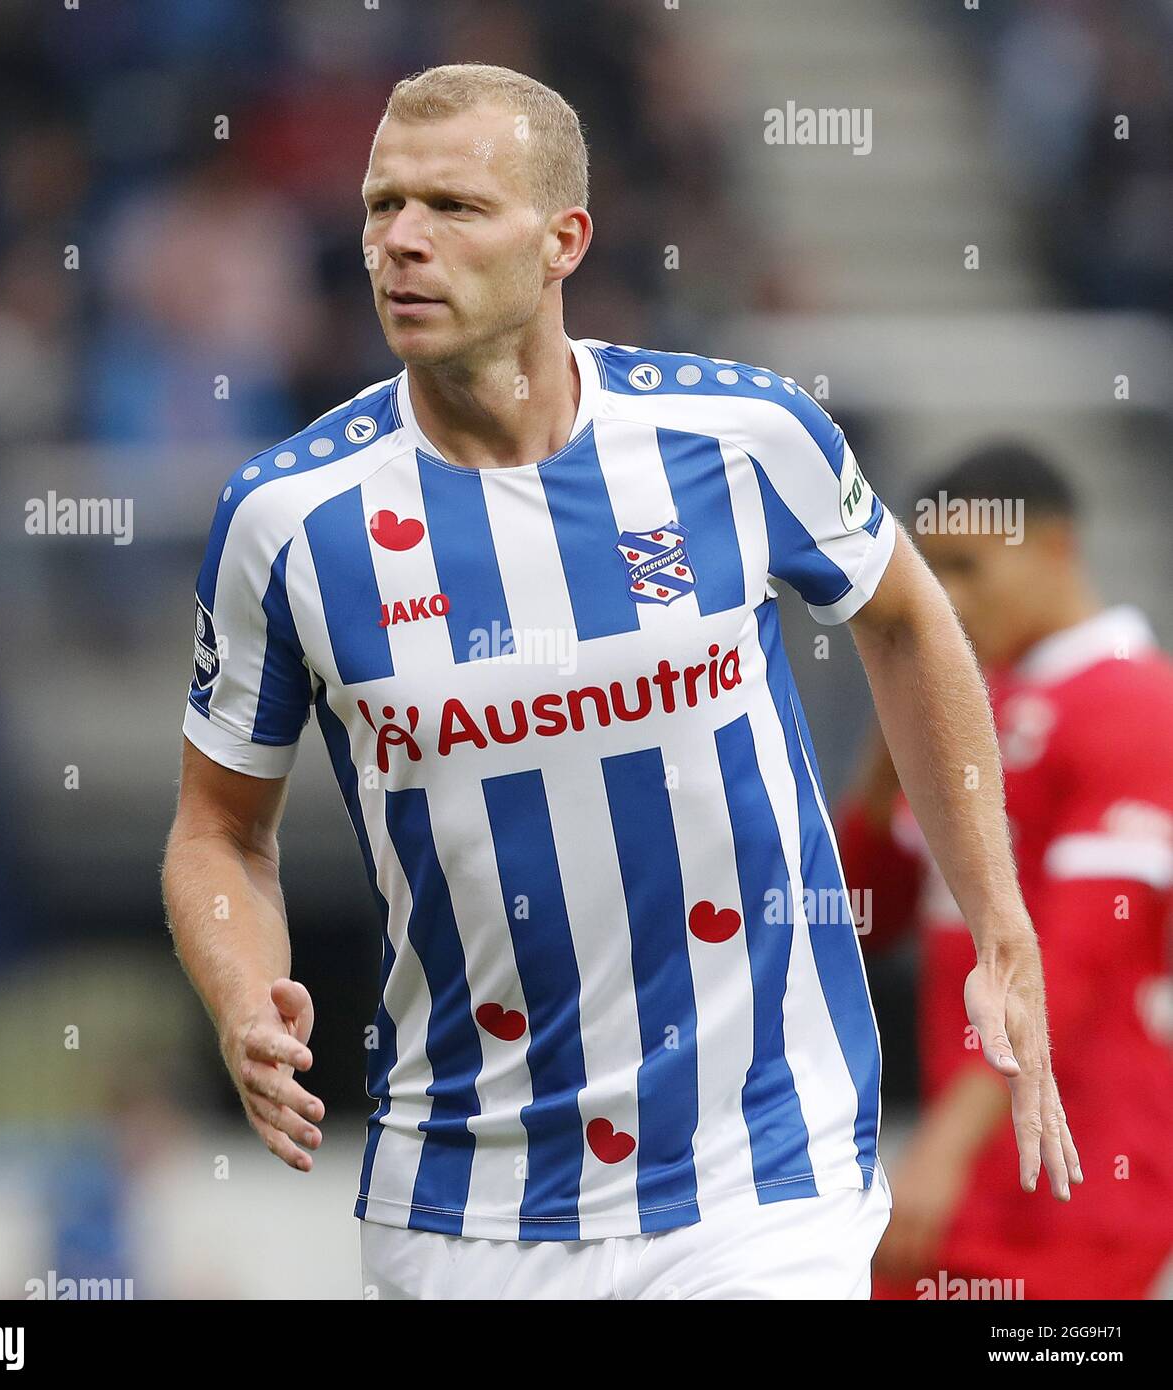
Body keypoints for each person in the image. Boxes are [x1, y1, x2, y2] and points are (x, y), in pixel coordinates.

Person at [161, 63, 1079, 1300]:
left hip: (762, 1167)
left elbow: (909, 621)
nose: (401, 243)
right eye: (381, 207)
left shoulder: (741, 439)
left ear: (563, 241)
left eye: (452, 206)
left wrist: (993, 912)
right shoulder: (287, 518)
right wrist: (237, 995)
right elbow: (219, 831)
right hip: (463, 1197)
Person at [838, 443, 1173, 1300]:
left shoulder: (1134, 705)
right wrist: (899, 736)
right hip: (961, 1188)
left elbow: (1077, 958)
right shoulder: (974, 708)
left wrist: (941, 1146)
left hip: (1081, 1177)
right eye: (929, 571)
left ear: (1055, 547)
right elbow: (854, 917)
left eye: (968, 566)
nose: (947, 596)